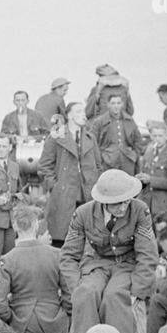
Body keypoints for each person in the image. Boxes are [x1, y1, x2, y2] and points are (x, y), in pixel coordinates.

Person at [59, 169, 158, 333]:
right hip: (96, 264)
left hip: (126, 265)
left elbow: (148, 254)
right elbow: (68, 256)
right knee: (86, 294)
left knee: (115, 296)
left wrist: (138, 290)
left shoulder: (139, 210)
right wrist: (76, 286)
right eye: (117, 204)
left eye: (126, 202)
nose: (123, 208)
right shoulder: (83, 214)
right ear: (103, 202)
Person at [0, 205, 70, 333]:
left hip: (22, 321)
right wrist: (65, 313)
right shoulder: (57, 254)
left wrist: (10, 318)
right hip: (54, 317)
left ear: (15, 226)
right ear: (36, 225)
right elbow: (69, 293)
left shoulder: (8, 259)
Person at [38, 101, 101, 245]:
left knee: (87, 240)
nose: (83, 115)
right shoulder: (56, 136)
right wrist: (55, 186)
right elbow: (44, 167)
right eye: (79, 112)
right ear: (69, 115)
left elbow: (98, 166)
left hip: (87, 196)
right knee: (62, 239)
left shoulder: (90, 138)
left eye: (84, 112)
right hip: (64, 196)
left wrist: (95, 185)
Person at [137, 121, 167, 224]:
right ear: (151, 137)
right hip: (147, 204)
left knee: (165, 236)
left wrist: (150, 180)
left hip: (164, 205)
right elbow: (144, 174)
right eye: (154, 136)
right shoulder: (148, 153)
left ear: (166, 136)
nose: (157, 139)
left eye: (160, 136)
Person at [90, 93, 142, 175]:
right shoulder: (99, 122)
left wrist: (135, 154)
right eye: (113, 103)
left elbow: (138, 140)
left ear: (122, 104)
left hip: (128, 161)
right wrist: (101, 157)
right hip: (108, 162)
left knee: (128, 185)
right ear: (108, 105)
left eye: (118, 103)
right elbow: (92, 141)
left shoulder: (129, 120)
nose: (116, 106)